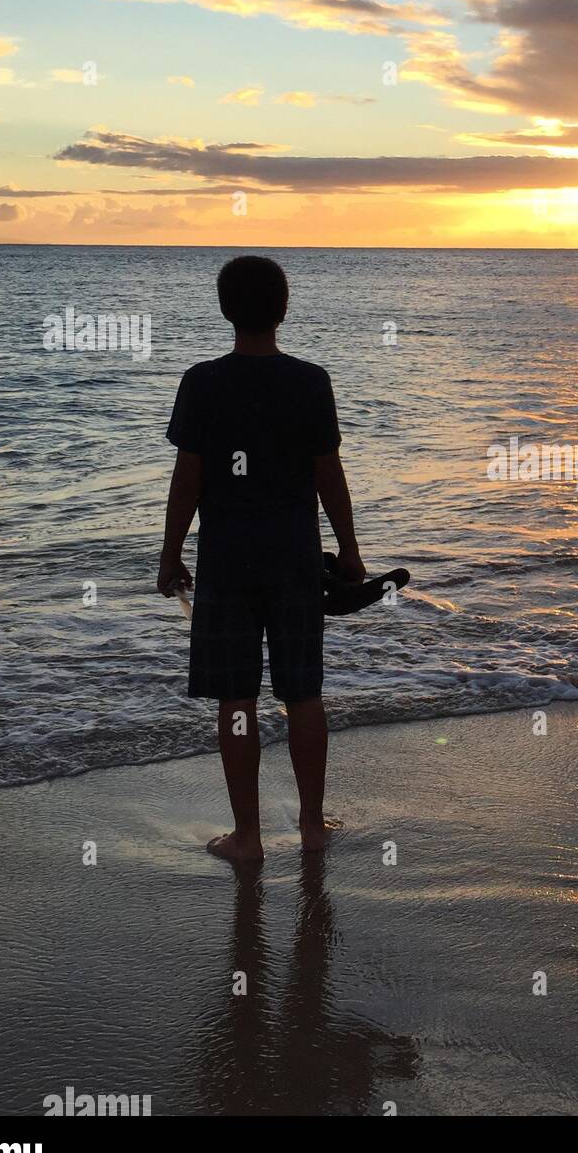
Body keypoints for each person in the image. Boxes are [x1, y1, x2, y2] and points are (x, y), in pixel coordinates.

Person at [157, 255, 365, 863]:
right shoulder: (310, 381)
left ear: (226, 310)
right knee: (303, 693)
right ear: (284, 308)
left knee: (238, 699)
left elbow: (186, 482)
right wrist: (350, 552)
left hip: (227, 559)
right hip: (295, 556)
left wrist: (170, 556)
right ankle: (311, 826)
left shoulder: (203, 382)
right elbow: (331, 477)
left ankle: (247, 837)